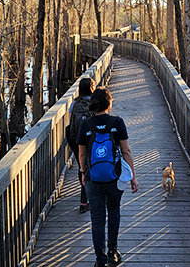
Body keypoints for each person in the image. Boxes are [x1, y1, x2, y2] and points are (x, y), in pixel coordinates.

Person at [78, 87, 138, 267]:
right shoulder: (117, 122)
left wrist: (83, 172)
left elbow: (82, 154)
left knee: (97, 219)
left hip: (92, 179)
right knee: (113, 212)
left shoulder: (85, 125)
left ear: (92, 105)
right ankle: (113, 252)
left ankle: (100, 260)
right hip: (114, 178)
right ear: (109, 103)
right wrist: (133, 177)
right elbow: (126, 151)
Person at [67, 77, 95, 213]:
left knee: (82, 168)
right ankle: (90, 198)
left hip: (76, 141)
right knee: (91, 167)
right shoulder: (95, 103)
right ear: (92, 88)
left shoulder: (75, 103)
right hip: (92, 142)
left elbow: (71, 121)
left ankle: (84, 202)